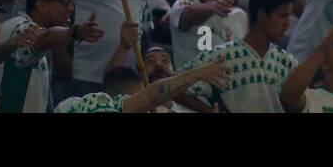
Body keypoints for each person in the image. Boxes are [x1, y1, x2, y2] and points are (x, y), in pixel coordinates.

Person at [0, 0, 102, 113]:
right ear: (41, 5)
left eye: (71, 3)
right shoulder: (18, 27)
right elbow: (42, 38)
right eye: (64, 2)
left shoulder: (45, 43)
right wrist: (74, 32)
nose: (71, 9)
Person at [180, 0, 296, 113]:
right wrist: (209, 111)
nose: (288, 24)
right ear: (262, 16)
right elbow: (175, 88)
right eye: (283, 16)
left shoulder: (288, 62)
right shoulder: (221, 56)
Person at [53, 59, 230, 114]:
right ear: (132, 94)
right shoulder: (92, 103)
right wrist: (195, 74)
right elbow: (149, 97)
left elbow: (150, 98)